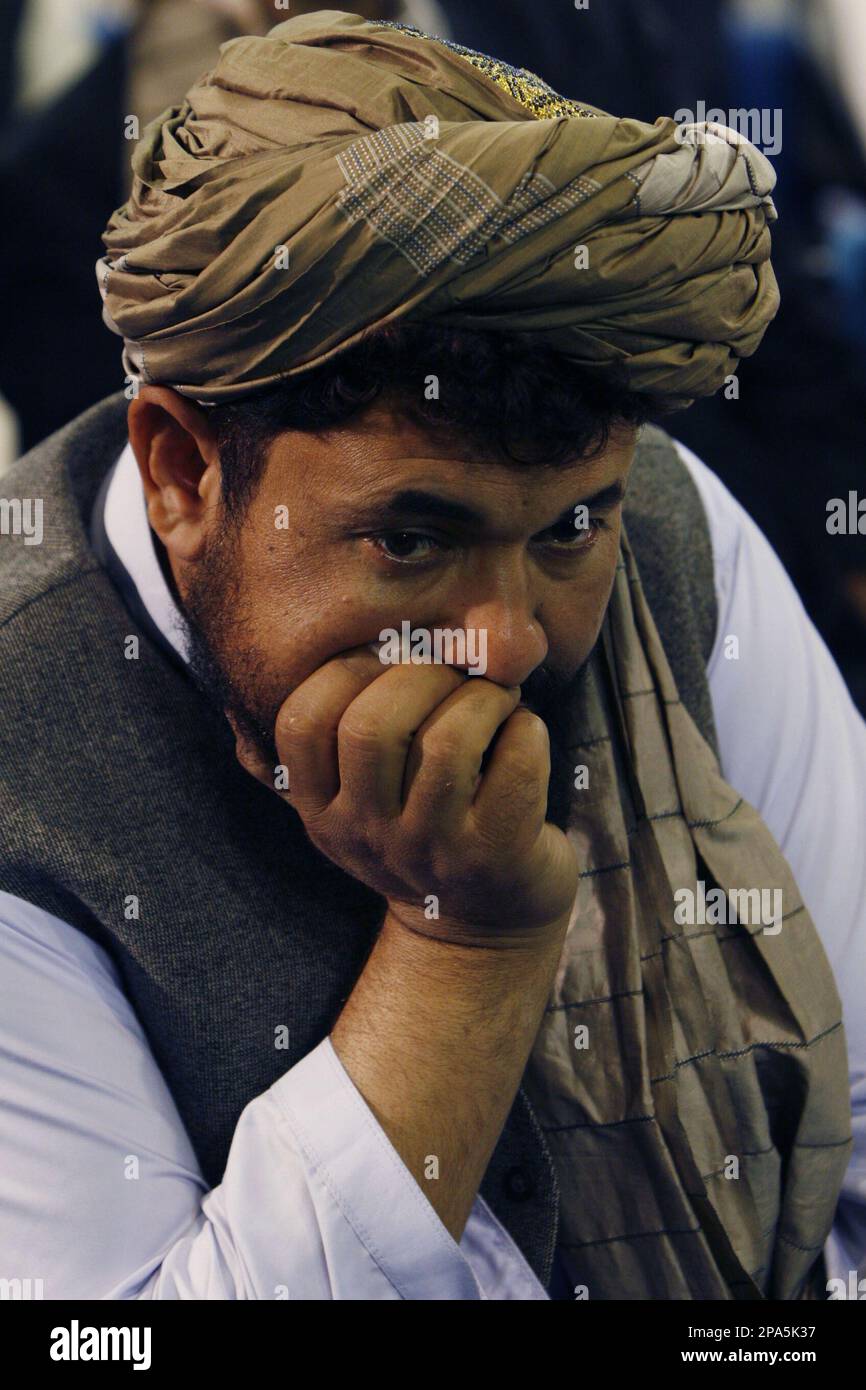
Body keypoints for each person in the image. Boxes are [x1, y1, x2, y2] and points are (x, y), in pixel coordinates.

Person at [1, 11, 863, 1301]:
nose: (509, 639)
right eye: (413, 537)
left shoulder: (676, 537)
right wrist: (464, 949)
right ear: (183, 469)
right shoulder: (24, 744)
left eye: (567, 528)